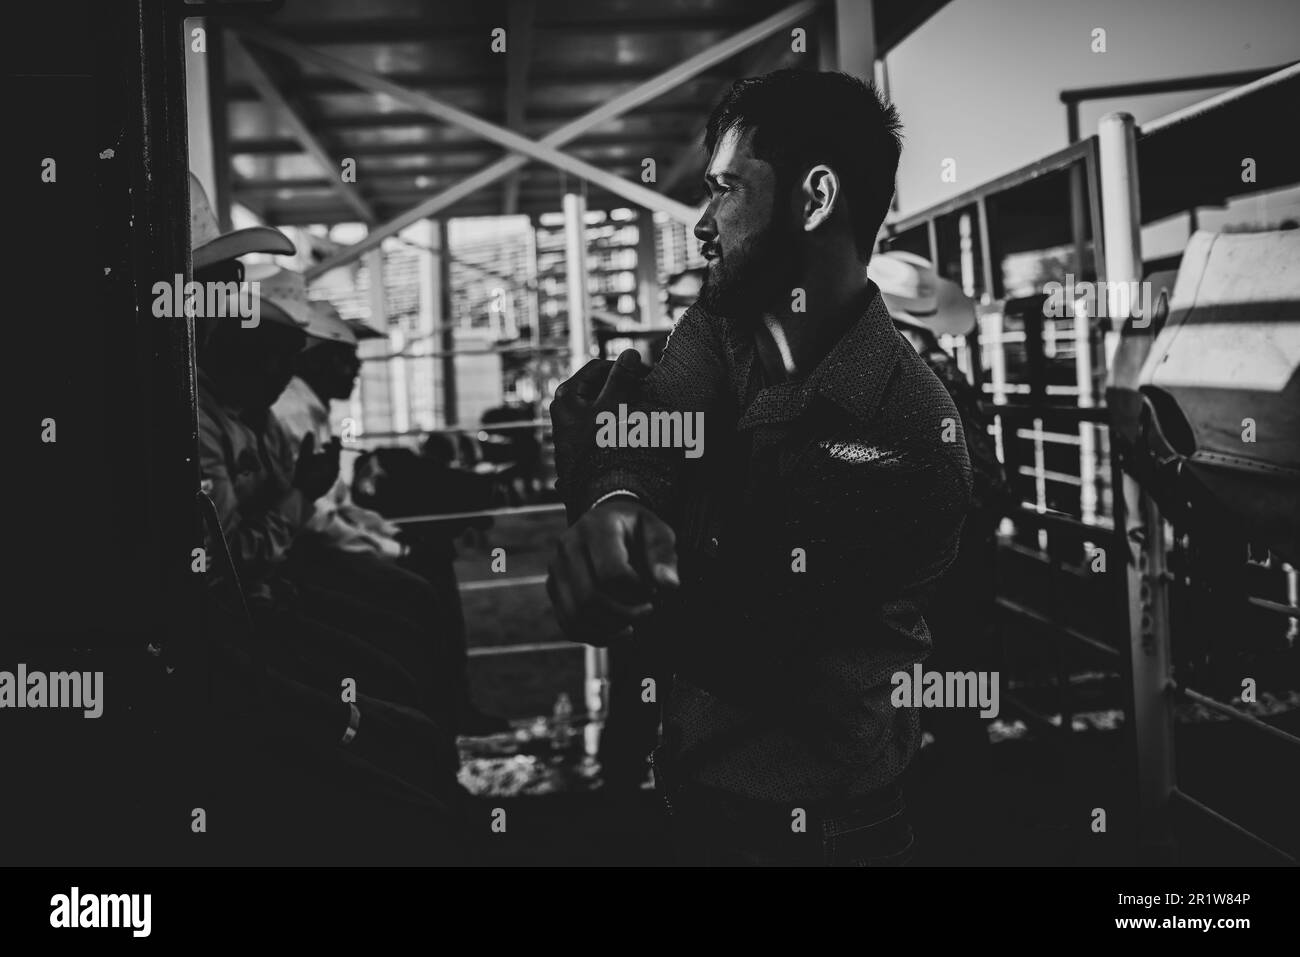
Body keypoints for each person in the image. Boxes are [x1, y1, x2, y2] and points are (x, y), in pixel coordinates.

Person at [546, 70, 972, 866]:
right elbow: (648, 435)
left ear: (814, 199)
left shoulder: (905, 431)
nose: (703, 225)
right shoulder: (726, 326)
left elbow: (748, 646)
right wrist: (617, 500)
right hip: (699, 802)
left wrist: (585, 474)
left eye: (726, 189)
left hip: (823, 839)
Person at [269, 290, 507, 735]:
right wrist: (393, 548)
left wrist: (390, 535)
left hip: (310, 544)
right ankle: (435, 713)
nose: (357, 368)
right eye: (346, 358)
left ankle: (442, 707)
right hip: (305, 557)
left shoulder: (308, 409)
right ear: (316, 360)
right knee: (418, 589)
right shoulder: (295, 412)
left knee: (428, 566)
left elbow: (336, 504)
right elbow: (319, 519)